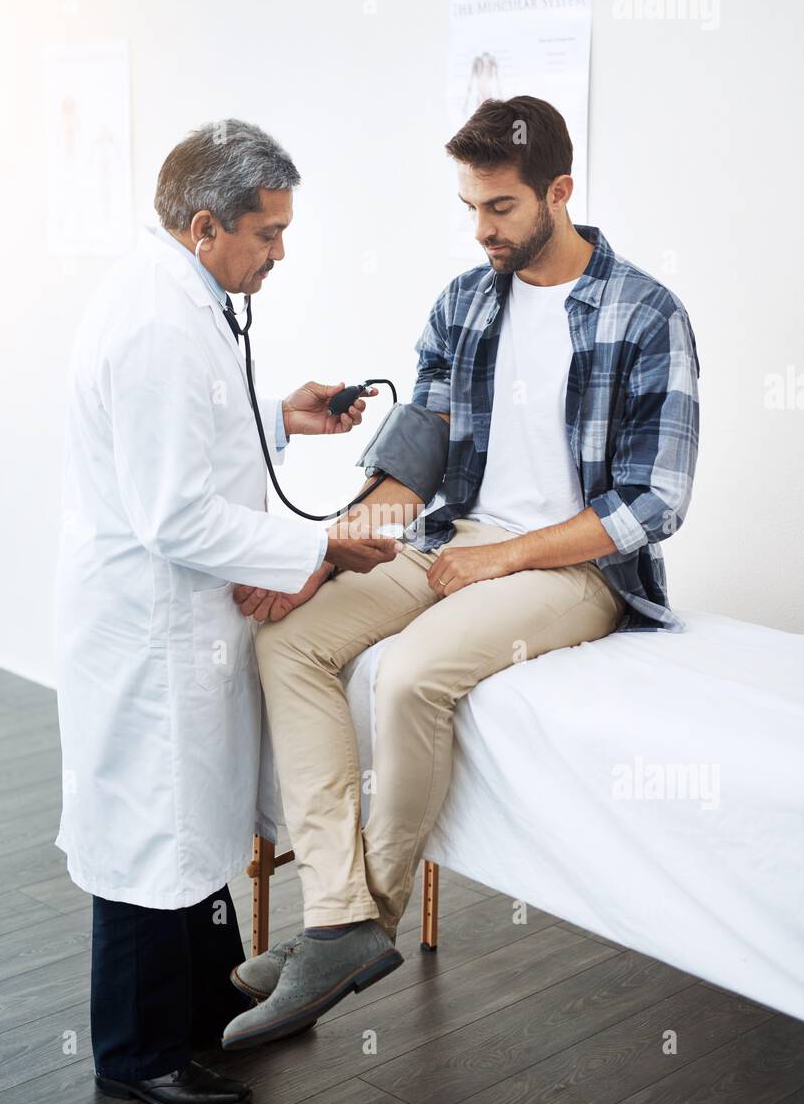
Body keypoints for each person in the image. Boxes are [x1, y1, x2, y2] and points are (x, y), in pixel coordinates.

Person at [221, 94, 700, 1051]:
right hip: (451, 539)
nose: (482, 230)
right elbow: (414, 466)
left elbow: (655, 503)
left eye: (502, 209)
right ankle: (336, 912)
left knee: (409, 674)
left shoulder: (644, 313)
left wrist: (506, 556)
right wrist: (322, 559)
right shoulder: (462, 303)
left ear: (559, 192)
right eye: (471, 208)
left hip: (577, 569)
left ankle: (361, 924)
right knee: (288, 641)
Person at [54, 118, 398, 1104]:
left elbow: (197, 446)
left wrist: (278, 417)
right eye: (269, 233)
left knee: (194, 830)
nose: (281, 252)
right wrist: (321, 548)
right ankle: (135, 1053)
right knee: (148, 842)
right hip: (150, 624)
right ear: (208, 226)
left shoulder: (188, 295)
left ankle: (208, 1014)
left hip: (185, 624)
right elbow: (171, 512)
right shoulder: (161, 321)